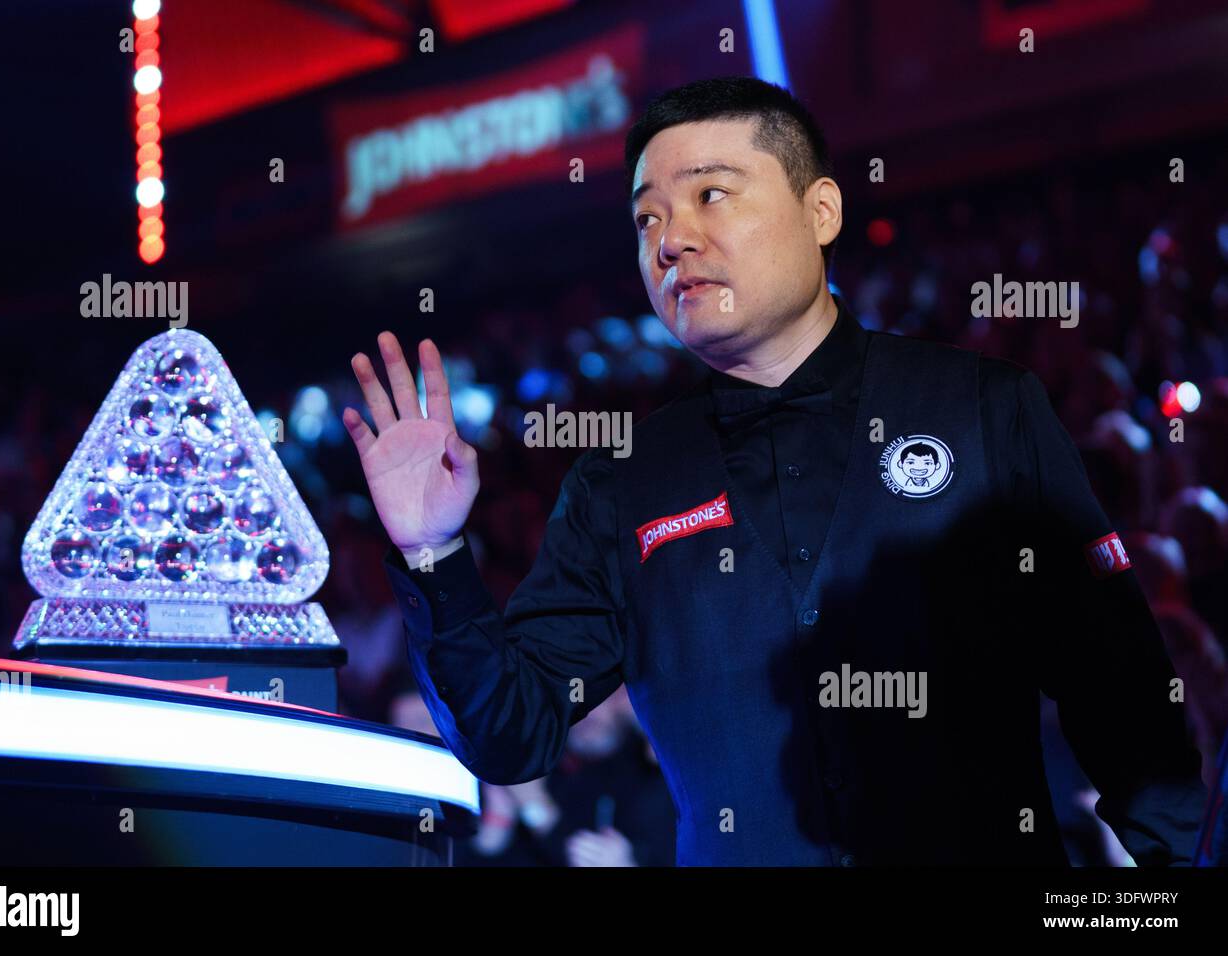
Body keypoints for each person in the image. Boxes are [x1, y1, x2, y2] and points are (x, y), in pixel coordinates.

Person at [342, 76, 1206, 865]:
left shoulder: (983, 408)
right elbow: (508, 734)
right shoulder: (621, 481)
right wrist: (435, 554)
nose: (671, 240)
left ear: (820, 210)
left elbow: (1123, 692)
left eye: (710, 195)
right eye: (647, 219)